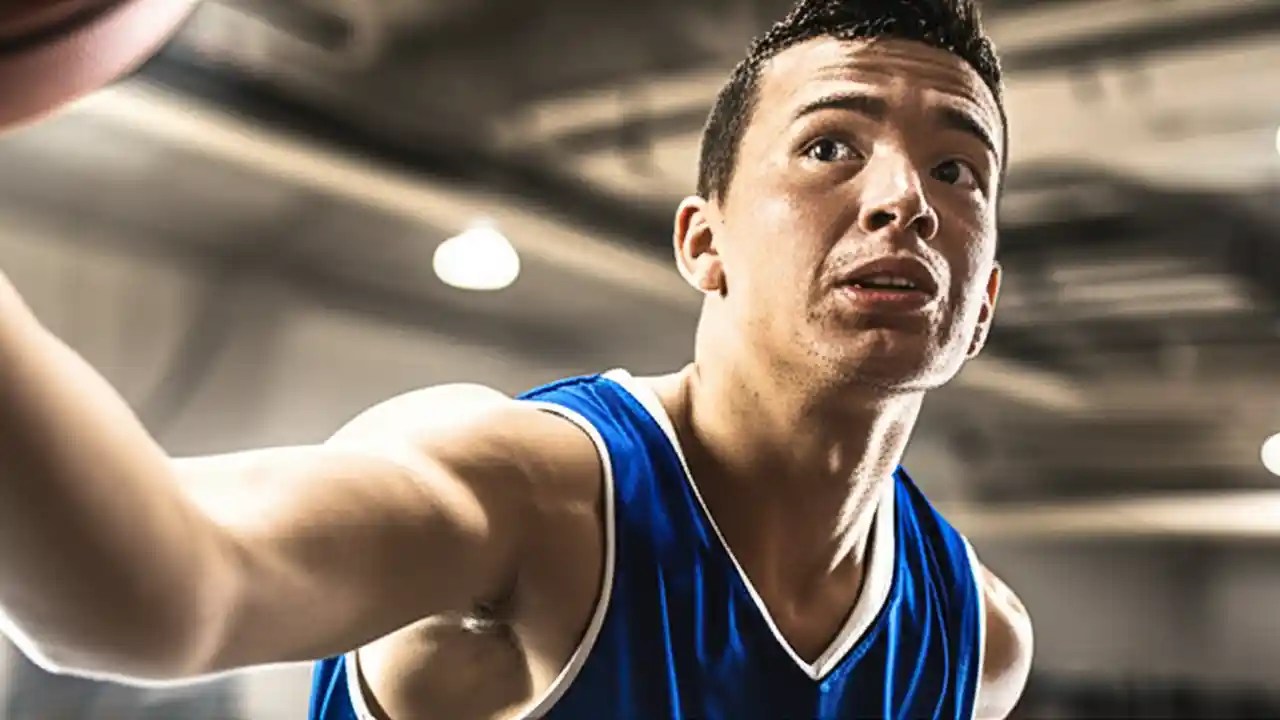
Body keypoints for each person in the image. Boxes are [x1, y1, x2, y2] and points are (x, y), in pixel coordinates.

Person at [0, 0, 1033, 718]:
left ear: (981, 301)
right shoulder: (523, 497)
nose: (904, 199)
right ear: (701, 243)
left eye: (955, 169)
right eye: (828, 146)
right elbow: (160, 593)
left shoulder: (976, 640)